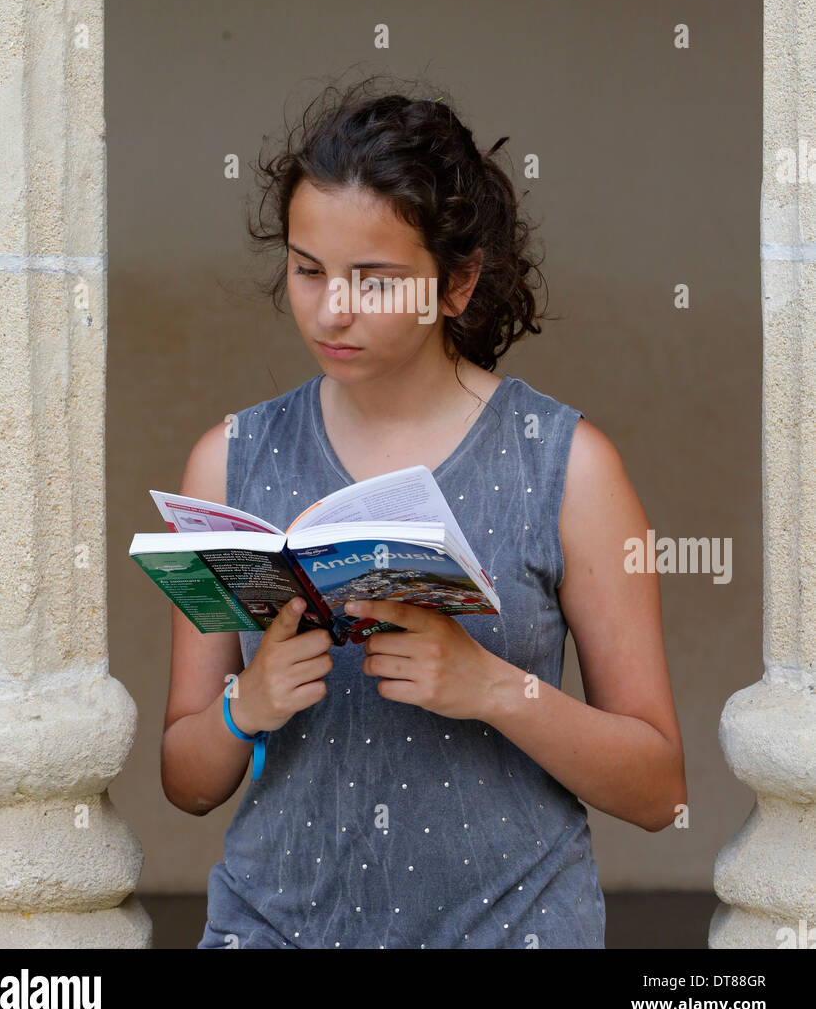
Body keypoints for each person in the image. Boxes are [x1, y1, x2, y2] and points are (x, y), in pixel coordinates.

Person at [160, 74, 687, 950]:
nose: (331, 309)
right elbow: (187, 779)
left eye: (373, 279)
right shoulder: (229, 460)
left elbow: (660, 790)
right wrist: (244, 705)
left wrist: (493, 689)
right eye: (307, 269)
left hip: (512, 930)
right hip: (276, 929)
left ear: (457, 282)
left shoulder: (568, 467)